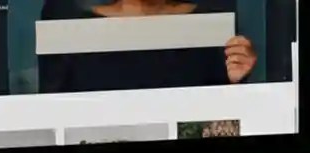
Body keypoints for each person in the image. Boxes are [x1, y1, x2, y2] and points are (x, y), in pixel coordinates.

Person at [39, 0, 258, 94]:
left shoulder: (210, 22)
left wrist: (239, 83)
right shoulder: (68, 23)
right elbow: (52, 117)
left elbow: (225, 124)